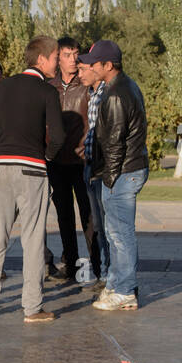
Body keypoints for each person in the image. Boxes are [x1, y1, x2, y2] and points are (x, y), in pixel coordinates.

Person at [0, 36, 65, 323]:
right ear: (42, 59)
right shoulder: (48, 91)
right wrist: (45, 155)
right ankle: (32, 308)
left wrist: (0, 150)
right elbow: (60, 136)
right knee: (33, 240)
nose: (58, 63)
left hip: (1, 168)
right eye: (56, 58)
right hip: (33, 171)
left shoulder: (4, 87)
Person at [81, 39, 148, 311]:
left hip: (122, 171)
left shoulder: (117, 93)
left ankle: (124, 290)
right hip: (122, 170)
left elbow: (114, 143)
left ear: (108, 66)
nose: (90, 66)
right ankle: (118, 284)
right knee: (115, 232)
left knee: (120, 234)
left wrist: (108, 177)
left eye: (95, 63)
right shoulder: (118, 87)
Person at [48, 37, 100, 284]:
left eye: (75, 55)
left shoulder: (86, 84)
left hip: (82, 162)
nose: (72, 60)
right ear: (57, 58)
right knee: (64, 215)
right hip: (56, 162)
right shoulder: (49, 86)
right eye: (67, 55)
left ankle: (99, 265)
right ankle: (70, 262)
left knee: (89, 216)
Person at [80, 58, 110, 290]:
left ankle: (111, 275)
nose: (80, 74)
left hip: (102, 167)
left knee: (108, 225)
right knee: (98, 224)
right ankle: (104, 273)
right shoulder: (93, 94)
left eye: (83, 69)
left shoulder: (106, 94)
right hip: (90, 164)